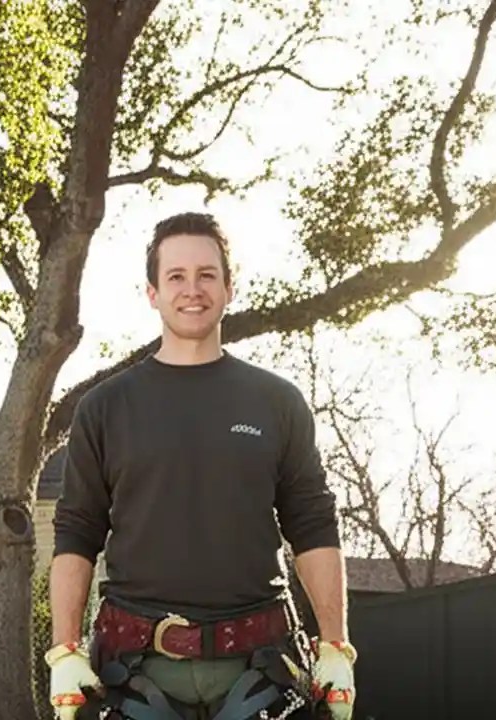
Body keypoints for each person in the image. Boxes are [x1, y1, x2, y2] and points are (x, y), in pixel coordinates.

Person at [45, 212, 357, 720]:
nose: (192, 290)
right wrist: (64, 651)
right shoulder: (104, 408)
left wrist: (335, 647)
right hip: (133, 667)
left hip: (260, 664)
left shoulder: (277, 402)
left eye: (207, 275)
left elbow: (313, 523)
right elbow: (77, 532)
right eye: (176, 276)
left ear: (229, 288)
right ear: (152, 293)